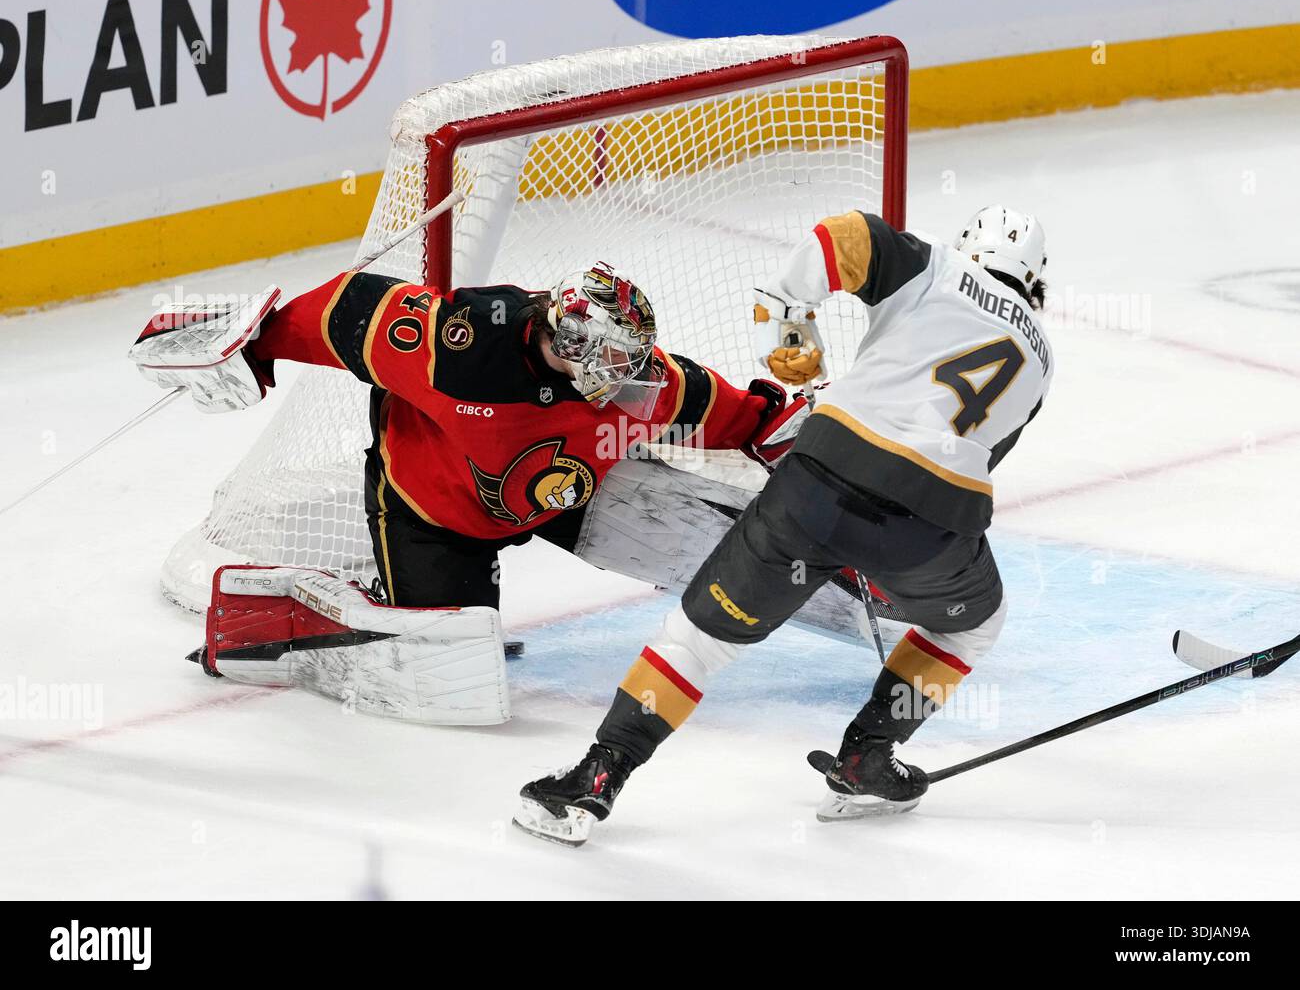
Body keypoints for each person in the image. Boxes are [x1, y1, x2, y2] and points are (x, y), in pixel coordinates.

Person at [513, 206, 1054, 845]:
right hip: (930, 526)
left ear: (970, 245)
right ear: (1035, 281)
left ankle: (595, 779)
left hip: (818, 480)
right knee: (973, 622)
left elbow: (841, 238)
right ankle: (868, 756)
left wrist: (788, 325)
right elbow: (975, 456)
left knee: (698, 638)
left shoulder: (935, 264)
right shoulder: (1043, 358)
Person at [130, 261, 802, 722]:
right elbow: (349, 310)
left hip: (563, 493)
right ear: (567, 343)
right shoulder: (459, 344)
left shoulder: (630, 382)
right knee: (457, 677)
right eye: (619, 357)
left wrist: (766, 423)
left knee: (723, 541)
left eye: (635, 354)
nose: (635, 372)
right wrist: (254, 342)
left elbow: (698, 399)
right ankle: (286, 620)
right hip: (433, 504)